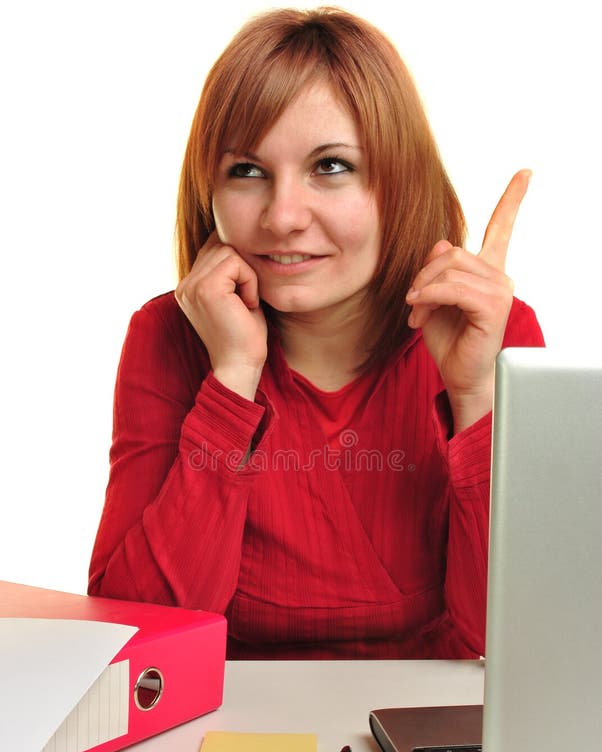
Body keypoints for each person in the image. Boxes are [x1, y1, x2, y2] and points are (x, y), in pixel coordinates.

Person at [88, 6, 544, 659]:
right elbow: (137, 638)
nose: (282, 217)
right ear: (207, 191)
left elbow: (508, 643)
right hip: (234, 730)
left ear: (399, 180)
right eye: (246, 170)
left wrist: (475, 400)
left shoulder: (495, 331)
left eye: (330, 166)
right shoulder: (169, 335)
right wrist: (232, 380)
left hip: (422, 726)